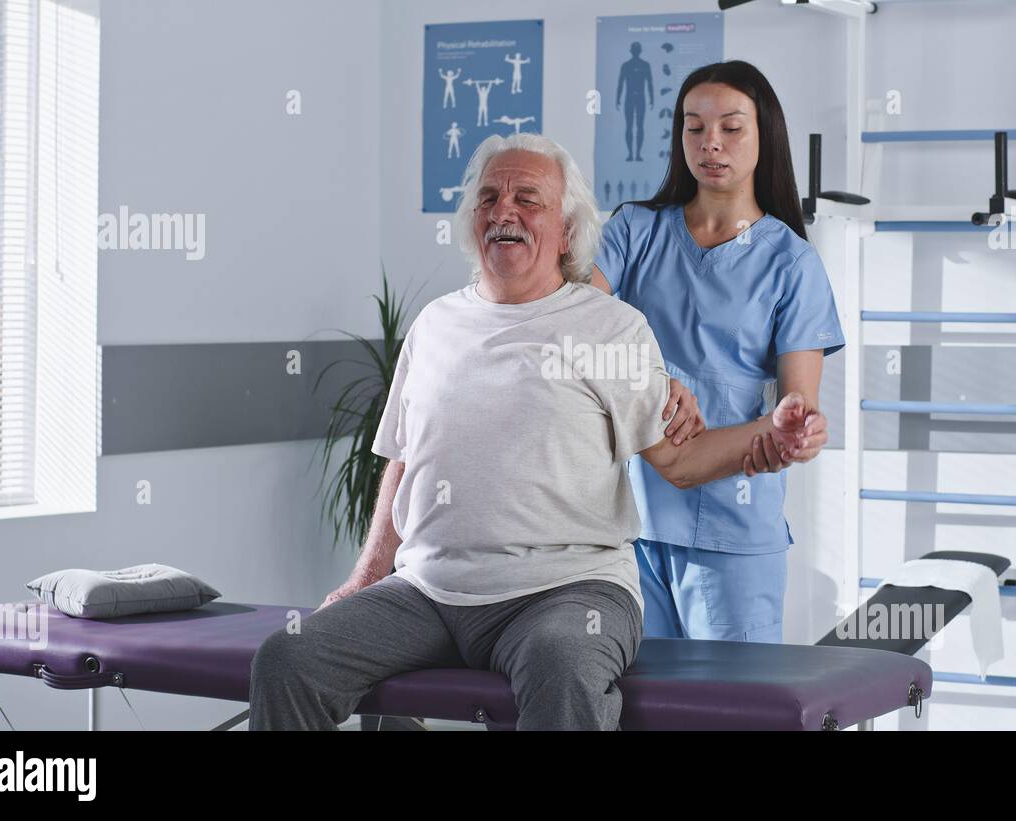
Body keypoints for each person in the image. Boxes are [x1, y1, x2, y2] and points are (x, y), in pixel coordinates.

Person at [248, 133, 824, 731]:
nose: (504, 211)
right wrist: (365, 580)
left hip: (569, 591)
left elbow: (681, 461)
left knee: (559, 661)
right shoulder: (435, 325)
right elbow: (401, 460)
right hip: (429, 590)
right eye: (490, 197)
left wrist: (767, 441)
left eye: (528, 199)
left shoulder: (611, 329)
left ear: (568, 232)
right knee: (289, 657)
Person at [592, 60, 846, 644]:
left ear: (765, 138)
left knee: (730, 710)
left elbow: (797, 405)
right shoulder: (633, 231)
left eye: (731, 128)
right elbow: (574, 322)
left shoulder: (792, 265)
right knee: (635, 708)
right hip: (623, 525)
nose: (710, 143)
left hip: (732, 531)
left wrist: (796, 431)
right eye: (693, 126)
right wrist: (656, 378)